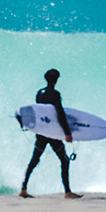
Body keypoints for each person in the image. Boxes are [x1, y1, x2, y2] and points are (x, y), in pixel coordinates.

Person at [20, 68, 83, 199]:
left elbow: (39, 112)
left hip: (41, 132)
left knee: (34, 160)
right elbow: (60, 114)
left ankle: (23, 189)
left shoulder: (39, 93)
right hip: (53, 134)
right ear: (56, 80)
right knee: (64, 160)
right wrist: (67, 132)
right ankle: (67, 192)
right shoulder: (55, 94)